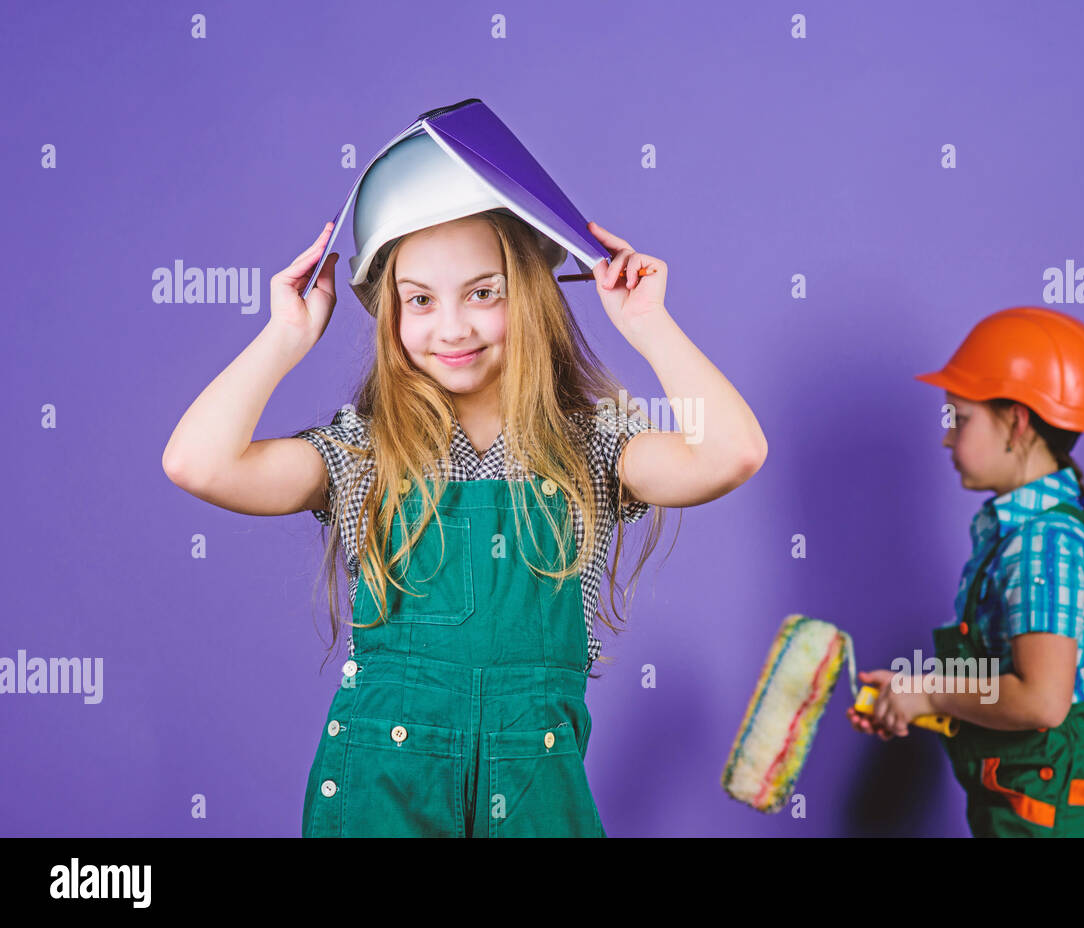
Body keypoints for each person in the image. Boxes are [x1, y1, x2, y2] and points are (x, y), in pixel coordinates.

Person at [162, 200, 766, 838]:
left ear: (532, 295)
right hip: (382, 796)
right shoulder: (366, 454)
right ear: (390, 314)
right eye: (419, 300)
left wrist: (649, 324)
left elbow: (732, 452)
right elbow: (198, 463)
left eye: (483, 293)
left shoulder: (592, 448)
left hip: (535, 796)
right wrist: (285, 335)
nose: (451, 328)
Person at [847, 306, 1084, 837]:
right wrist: (914, 695)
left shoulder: (1042, 544)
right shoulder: (1028, 532)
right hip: (1026, 802)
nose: (946, 439)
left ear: (1017, 421)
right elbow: (1012, 688)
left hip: (1051, 813)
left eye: (959, 419)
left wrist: (930, 695)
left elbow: (1041, 700)